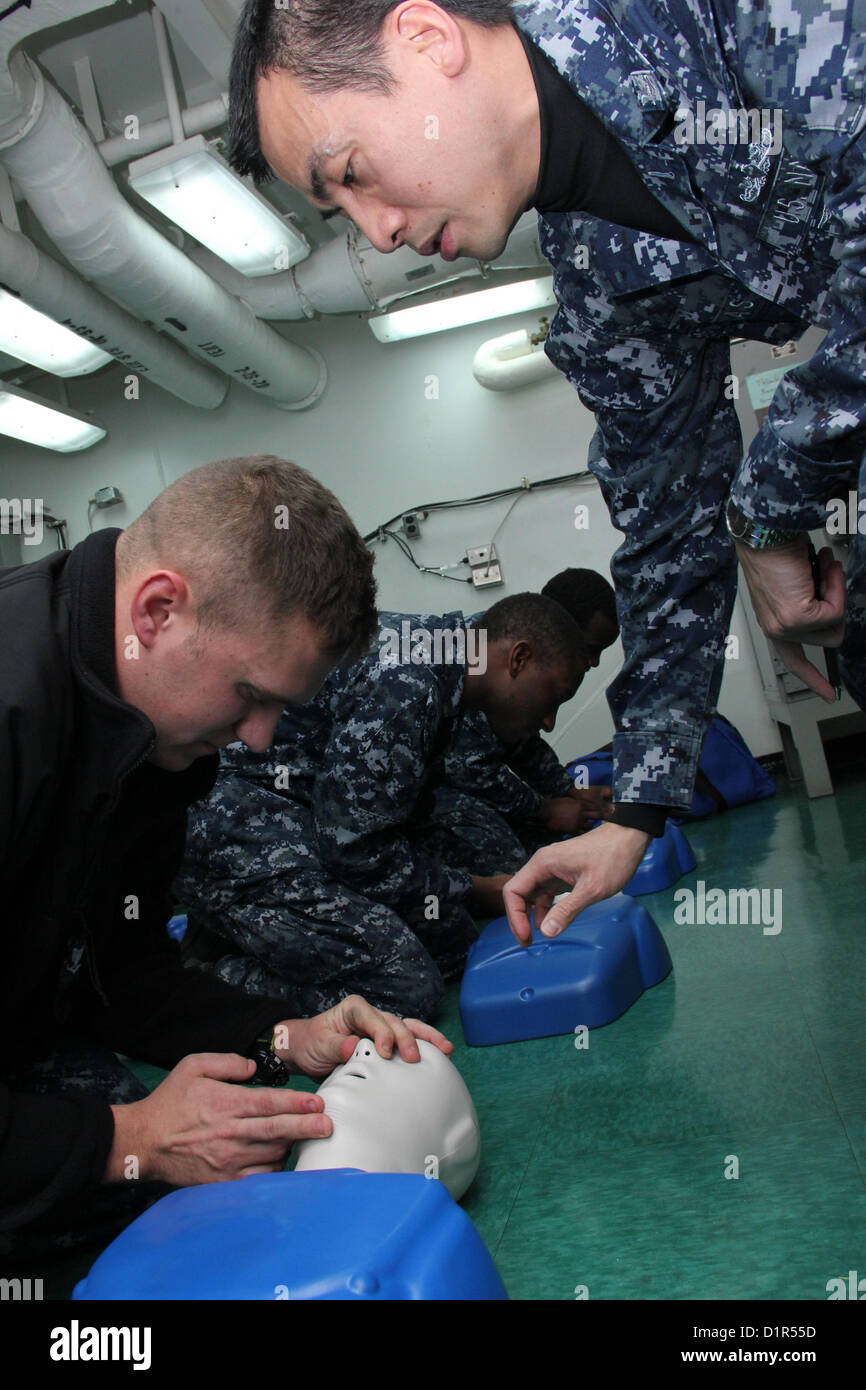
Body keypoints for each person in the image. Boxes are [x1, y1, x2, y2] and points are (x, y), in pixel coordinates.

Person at [226, 0, 862, 939]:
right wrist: (637, 812)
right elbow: (667, 524)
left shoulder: (719, 22)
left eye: (352, 175)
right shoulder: (599, 283)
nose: (376, 234)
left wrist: (767, 512)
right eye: (340, 211)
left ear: (428, 39)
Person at [0, 453, 450, 1260]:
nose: (262, 738)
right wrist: (129, 1133)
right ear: (158, 610)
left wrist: (283, 1034)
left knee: (195, 1188)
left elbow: (120, 974)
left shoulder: (156, 743)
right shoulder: (14, 712)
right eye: (252, 695)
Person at [175, 593, 586, 1017]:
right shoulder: (409, 683)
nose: (548, 721)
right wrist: (475, 888)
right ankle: (199, 978)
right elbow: (354, 851)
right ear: (518, 660)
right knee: (406, 990)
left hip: (306, 807)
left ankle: (240, 930)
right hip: (230, 816)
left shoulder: (450, 654)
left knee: (454, 942)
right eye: (554, 699)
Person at [430, 569, 619, 873]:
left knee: (553, 846)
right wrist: (545, 809)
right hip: (429, 794)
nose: (593, 662)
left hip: (455, 785)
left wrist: (567, 790)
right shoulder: (485, 656)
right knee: (512, 864)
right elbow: (469, 766)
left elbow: (523, 743)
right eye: (591, 649)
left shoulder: (519, 646)